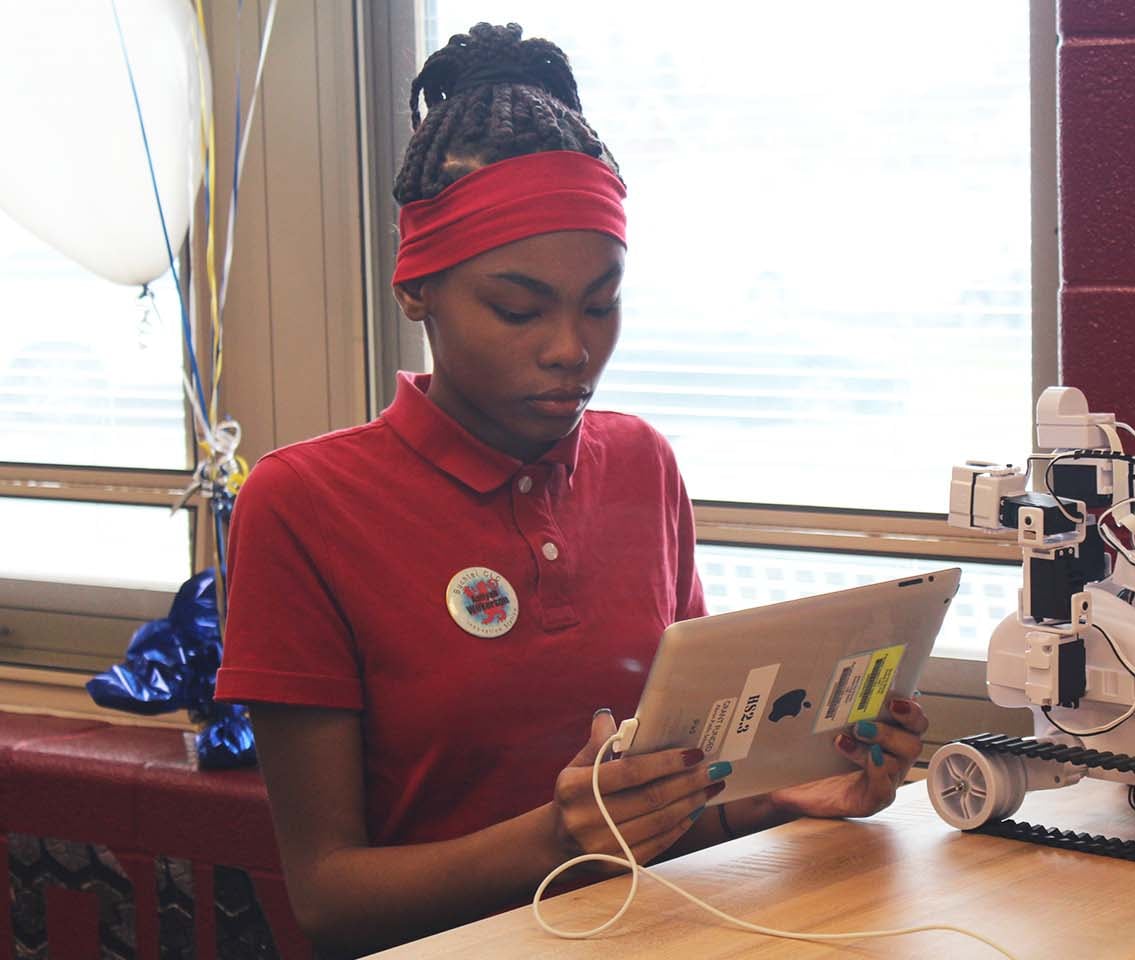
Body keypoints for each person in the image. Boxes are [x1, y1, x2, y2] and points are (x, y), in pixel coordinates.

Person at [216, 21, 929, 957]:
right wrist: (558, 839)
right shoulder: (304, 503)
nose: (571, 349)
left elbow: (680, 803)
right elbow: (329, 901)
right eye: (518, 308)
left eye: (602, 304)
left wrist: (780, 797)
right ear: (415, 288)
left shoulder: (642, 463)